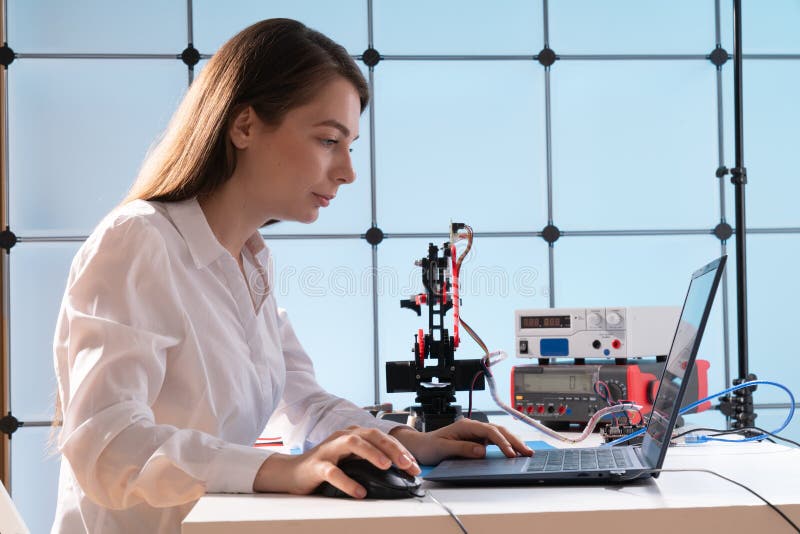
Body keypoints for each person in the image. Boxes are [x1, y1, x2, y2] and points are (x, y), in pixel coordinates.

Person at [51, 18, 532, 534]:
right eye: (329, 140)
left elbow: (303, 403)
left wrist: (409, 441)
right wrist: (282, 470)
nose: (348, 171)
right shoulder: (139, 241)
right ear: (244, 126)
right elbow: (106, 443)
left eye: (350, 146)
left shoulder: (251, 260)